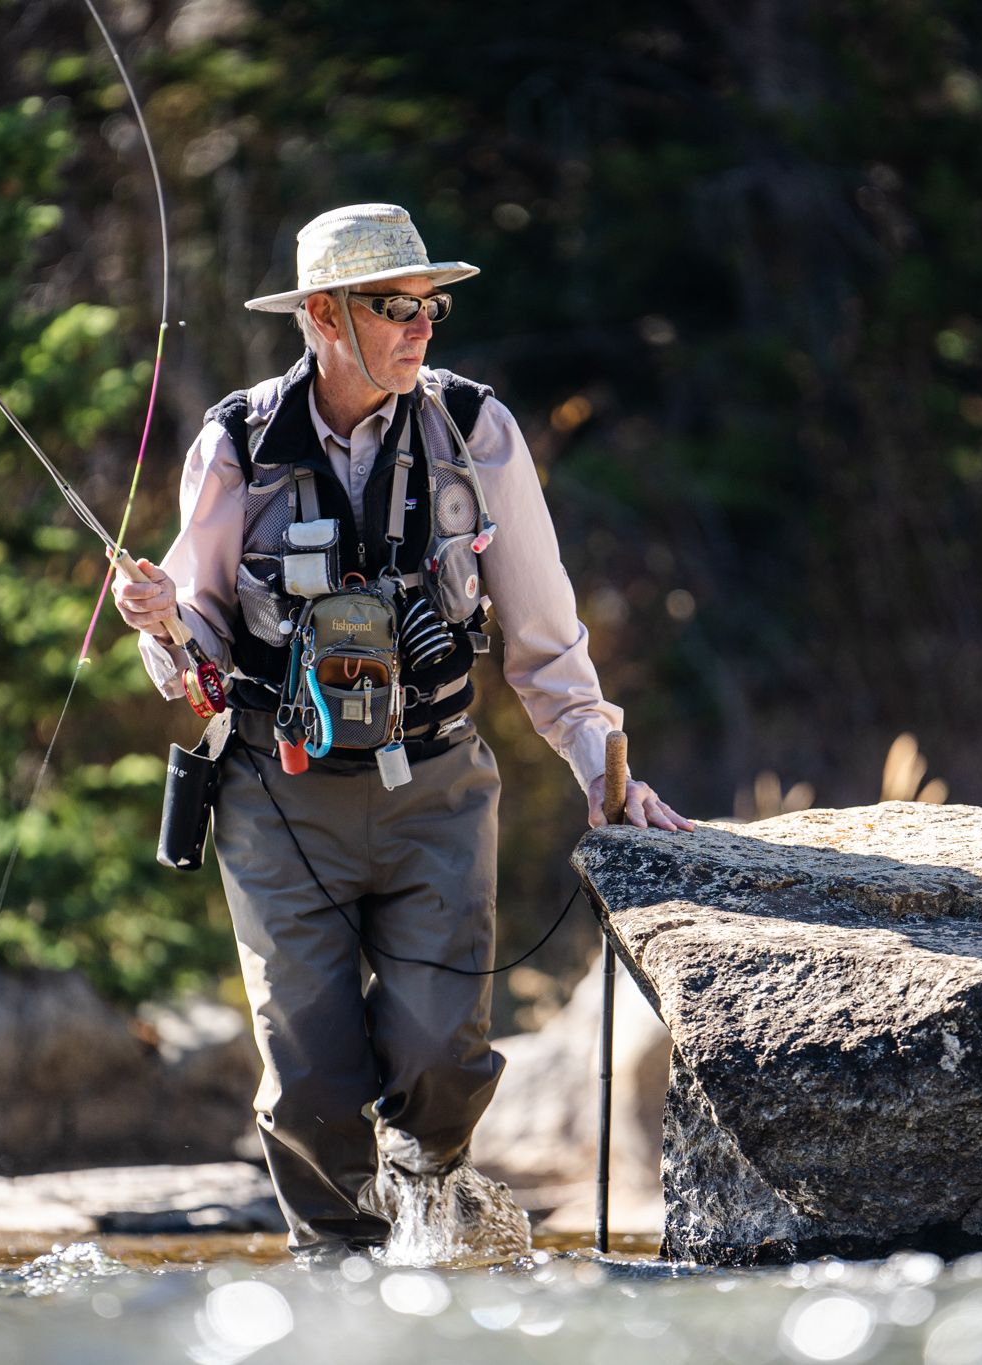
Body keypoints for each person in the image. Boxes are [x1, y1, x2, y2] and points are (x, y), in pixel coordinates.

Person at [112, 203, 691, 1257]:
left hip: (435, 788)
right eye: (396, 309)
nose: (423, 329)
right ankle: (341, 1279)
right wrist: (159, 624)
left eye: (431, 306)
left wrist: (605, 775)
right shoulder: (237, 442)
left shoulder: (476, 431)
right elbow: (192, 645)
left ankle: (426, 1236)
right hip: (276, 797)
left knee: (439, 1059)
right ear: (324, 318)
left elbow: (544, 638)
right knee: (311, 1081)